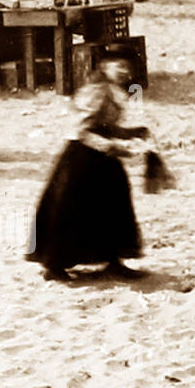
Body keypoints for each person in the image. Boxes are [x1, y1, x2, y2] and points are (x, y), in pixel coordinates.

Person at [26, 45, 147, 282]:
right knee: (71, 210)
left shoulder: (112, 90)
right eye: (118, 66)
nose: (124, 72)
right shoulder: (95, 91)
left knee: (113, 206)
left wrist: (131, 133)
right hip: (81, 159)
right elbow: (82, 130)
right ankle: (55, 266)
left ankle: (113, 260)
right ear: (104, 67)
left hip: (103, 161)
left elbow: (104, 126)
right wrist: (110, 146)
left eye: (128, 67)